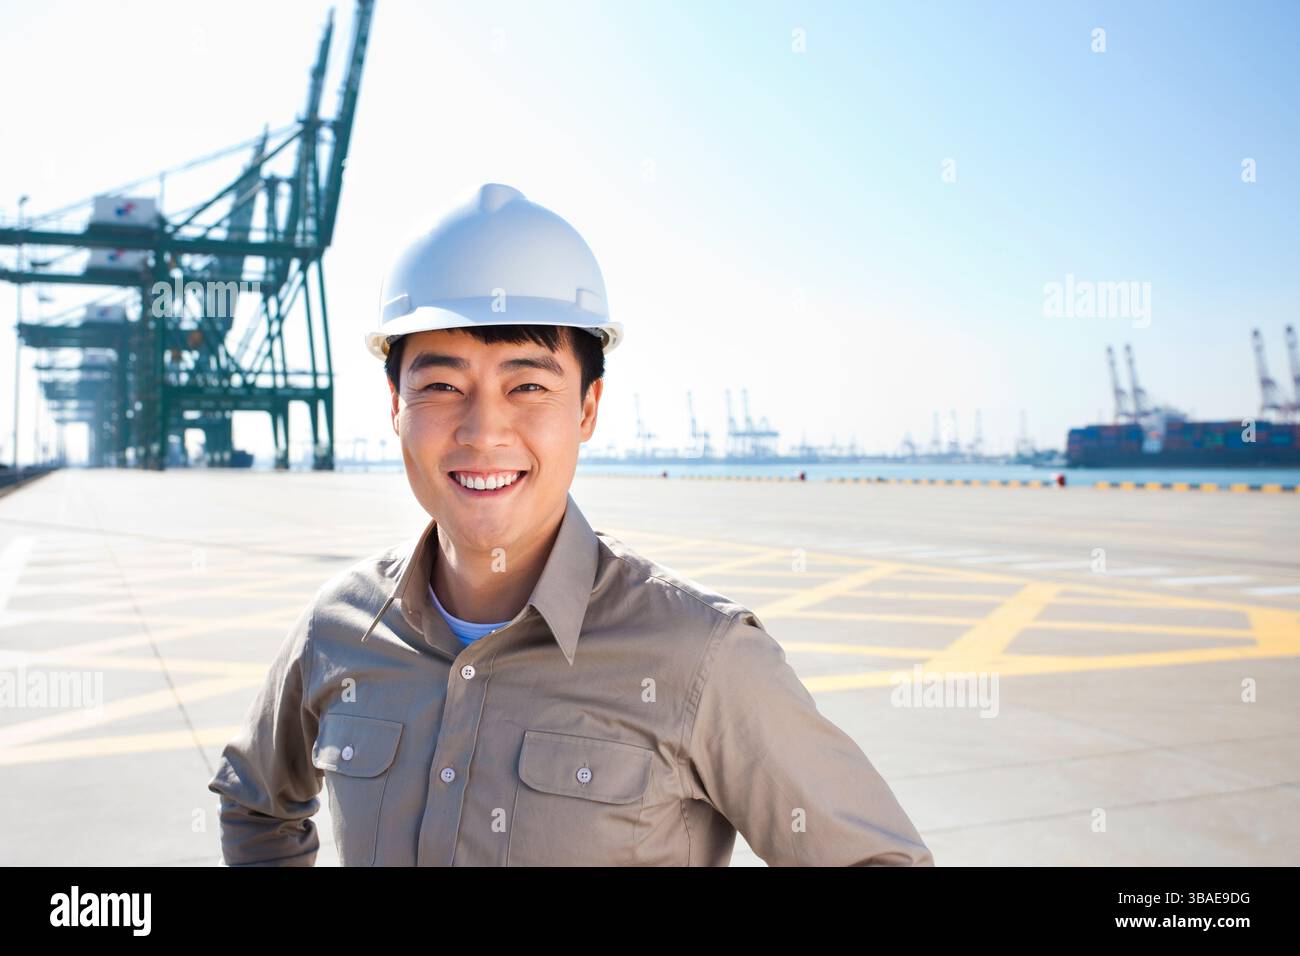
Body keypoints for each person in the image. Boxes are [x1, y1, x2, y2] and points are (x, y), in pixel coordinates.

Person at [207, 183, 933, 867]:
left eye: (527, 386)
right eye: (440, 386)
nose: (483, 429)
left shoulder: (701, 658)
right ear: (393, 404)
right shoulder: (338, 628)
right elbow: (254, 803)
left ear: (587, 408)